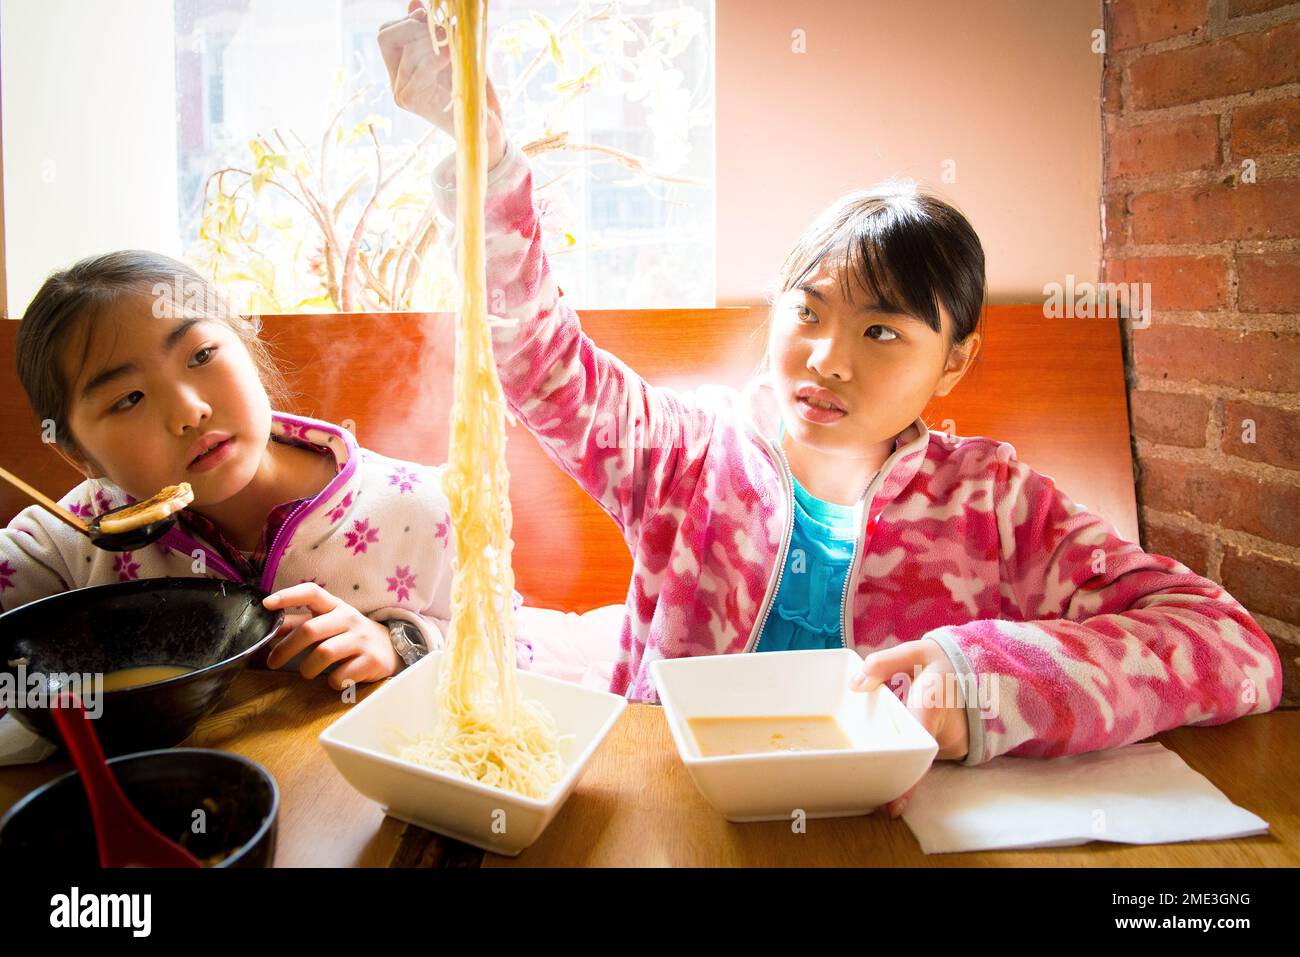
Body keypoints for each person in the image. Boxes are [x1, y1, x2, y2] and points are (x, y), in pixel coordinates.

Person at [378, 2, 1283, 817]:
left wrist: (980, 682)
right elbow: (536, 358)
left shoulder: (995, 506)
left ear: (954, 360)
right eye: (806, 311)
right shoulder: (687, 456)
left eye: (882, 331)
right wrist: (485, 158)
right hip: (670, 812)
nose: (826, 358)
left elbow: (1232, 648)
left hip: (889, 831)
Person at [1, 249, 484, 690]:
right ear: (80, 456)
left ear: (247, 347)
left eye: (201, 355)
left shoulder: (425, 511)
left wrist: (403, 645)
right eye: (129, 399)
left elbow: (504, 653)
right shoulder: (72, 539)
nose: (188, 411)